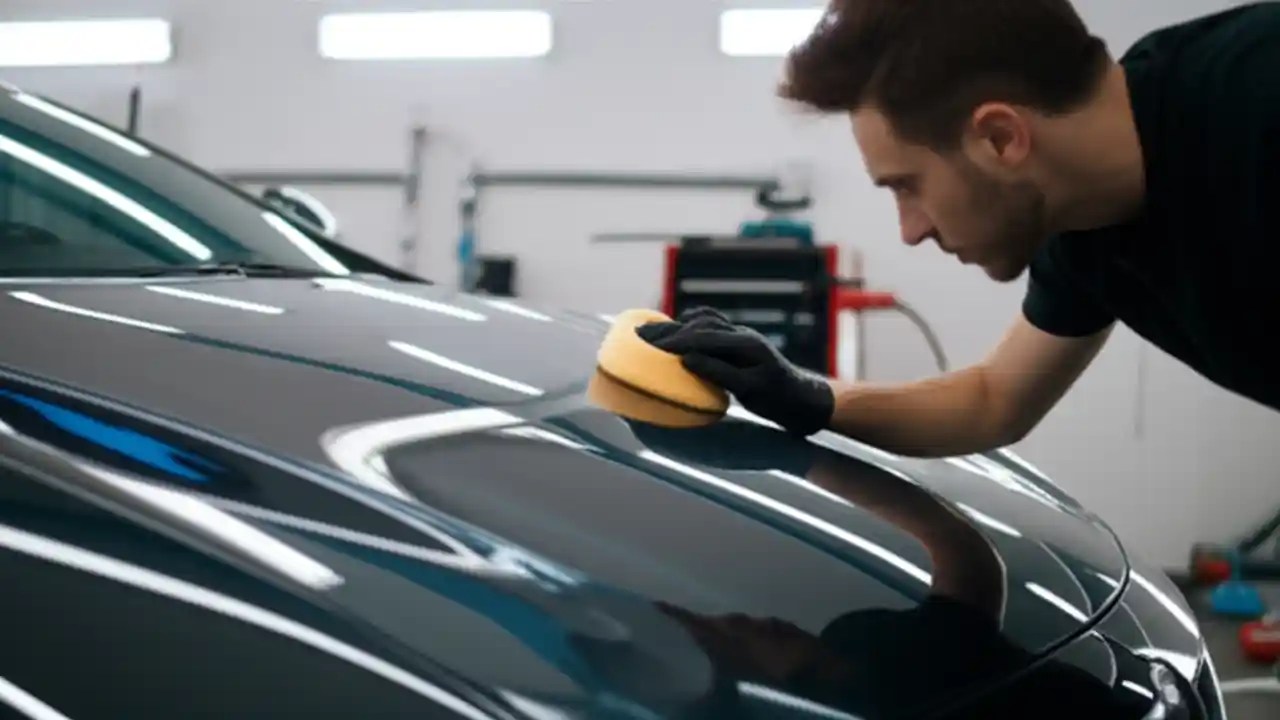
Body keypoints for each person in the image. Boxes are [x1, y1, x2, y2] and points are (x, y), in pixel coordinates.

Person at [638, 0, 1280, 456]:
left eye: (906, 186)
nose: (910, 230)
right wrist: (808, 397)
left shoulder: (1255, 91)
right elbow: (992, 400)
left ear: (1000, 137)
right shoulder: (1085, 235)